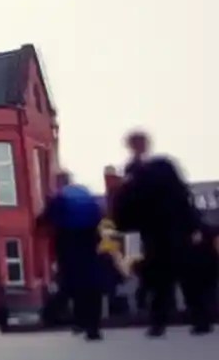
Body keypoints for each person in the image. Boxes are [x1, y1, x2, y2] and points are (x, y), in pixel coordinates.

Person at [112, 130, 206, 336]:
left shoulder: (159, 166)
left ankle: (196, 319)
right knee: (160, 278)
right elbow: (128, 203)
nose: (137, 147)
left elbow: (181, 197)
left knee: (182, 276)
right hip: (156, 231)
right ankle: (163, 322)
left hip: (171, 228)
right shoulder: (134, 170)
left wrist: (193, 226)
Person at [37, 172, 106, 340]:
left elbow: (44, 220)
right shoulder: (85, 194)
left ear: (59, 182)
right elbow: (99, 215)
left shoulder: (59, 197)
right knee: (91, 284)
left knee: (72, 283)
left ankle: (76, 320)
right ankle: (93, 326)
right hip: (89, 241)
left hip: (68, 242)